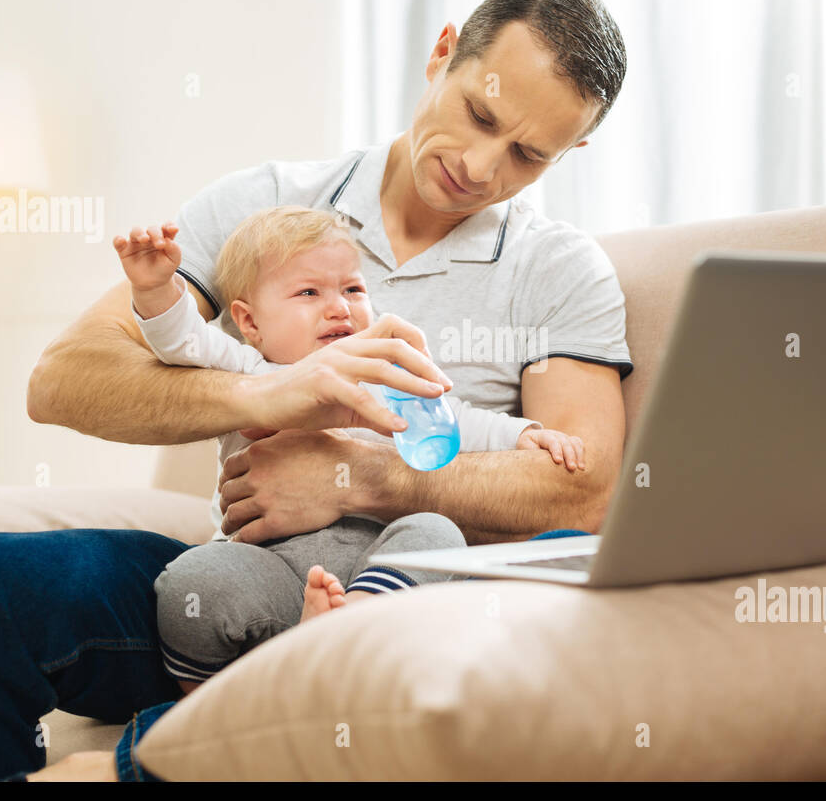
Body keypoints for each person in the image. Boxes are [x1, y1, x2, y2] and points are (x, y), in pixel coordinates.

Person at [0, 0, 632, 782]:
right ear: (443, 52)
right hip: (248, 577)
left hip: (413, 602)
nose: (482, 167)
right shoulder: (269, 207)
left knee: (412, 637)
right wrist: (268, 392)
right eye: (479, 114)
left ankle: (136, 761)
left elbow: (584, 495)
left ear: (573, 151)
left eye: (529, 154)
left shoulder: (560, 270)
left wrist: (359, 479)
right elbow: (64, 379)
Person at [117, 202, 586, 691]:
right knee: (192, 579)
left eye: (353, 289)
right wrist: (154, 290)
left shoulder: (386, 379)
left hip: (372, 565)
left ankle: (346, 631)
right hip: (266, 568)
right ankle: (220, 703)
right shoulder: (248, 372)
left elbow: (459, 421)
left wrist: (525, 434)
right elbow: (183, 342)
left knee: (433, 530)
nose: (339, 306)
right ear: (250, 323)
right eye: (308, 292)